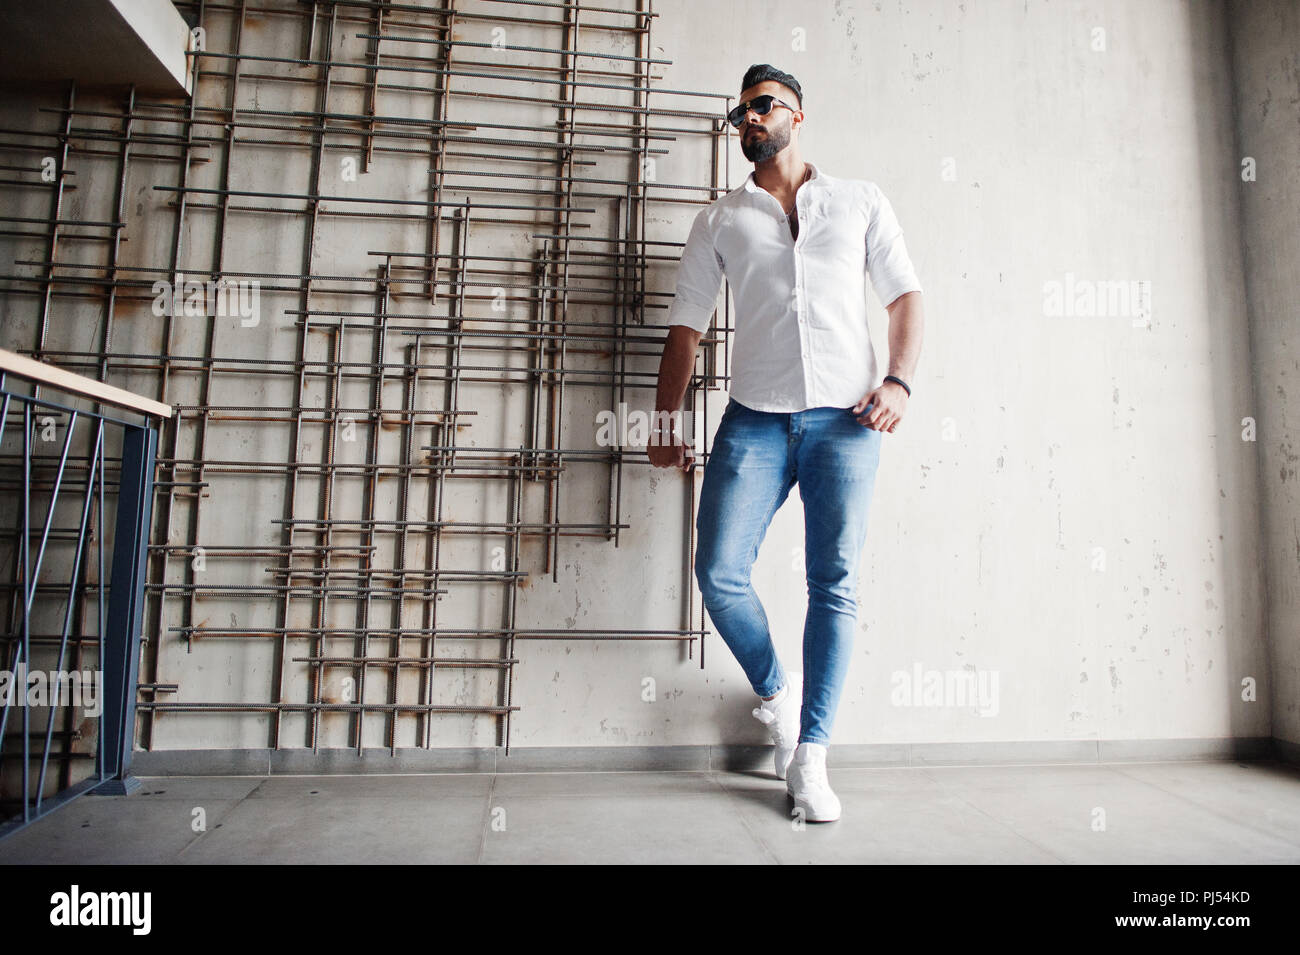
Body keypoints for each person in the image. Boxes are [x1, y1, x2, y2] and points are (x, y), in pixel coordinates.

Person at [648, 64, 926, 823]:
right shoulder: (720, 219)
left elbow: (905, 295)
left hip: (848, 419)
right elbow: (686, 326)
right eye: (739, 112)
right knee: (718, 571)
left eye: (761, 106)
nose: (748, 119)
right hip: (755, 418)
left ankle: (813, 756)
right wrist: (666, 417)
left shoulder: (859, 201)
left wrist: (899, 381)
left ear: (798, 115)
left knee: (833, 581)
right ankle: (777, 689)